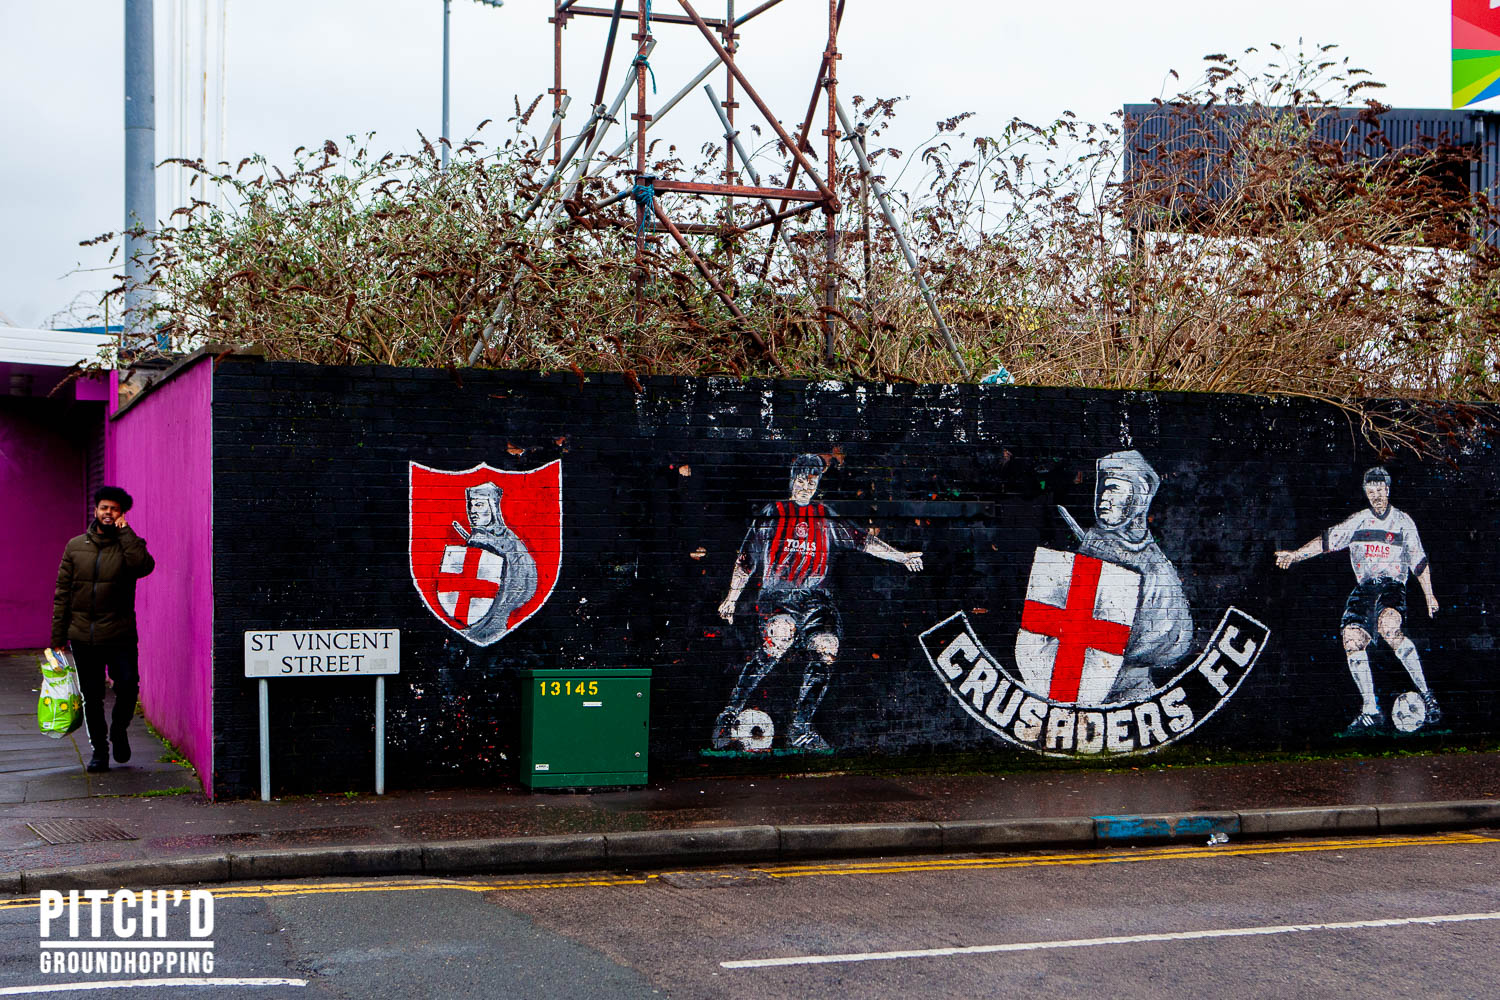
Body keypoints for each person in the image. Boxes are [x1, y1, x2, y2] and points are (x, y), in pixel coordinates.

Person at [714, 454, 924, 751]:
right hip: (779, 598)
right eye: (801, 480)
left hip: (816, 600)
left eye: (812, 481)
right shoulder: (773, 512)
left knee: (827, 647)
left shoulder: (825, 516)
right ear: (792, 480)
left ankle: (801, 728)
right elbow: (746, 557)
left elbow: (863, 541)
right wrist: (732, 597)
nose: (806, 487)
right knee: (781, 636)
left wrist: (902, 557)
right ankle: (730, 712)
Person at [1275, 467, 1439, 733]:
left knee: (1389, 628)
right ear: (1366, 492)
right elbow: (1325, 542)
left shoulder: (1403, 522)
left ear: (1388, 489)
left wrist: (1429, 595)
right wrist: (1295, 555)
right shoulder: (1358, 522)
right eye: (1371, 491)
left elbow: (1419, 563)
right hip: (1364, 590)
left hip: (1391, 587)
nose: (1376, 495)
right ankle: (1370, 710)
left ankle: (1427, 695)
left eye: (1380, 490)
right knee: (1351, 639)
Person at [1065, 450, 1194, 701]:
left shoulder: (1157, 568)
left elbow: (1174, 639)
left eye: (1113, 489)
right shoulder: (1088, 550)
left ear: (1139, 496)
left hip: (1131, 694)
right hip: (1079, 686)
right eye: (1101, 490)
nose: (1103, 498)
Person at [51, 487, 155, 772]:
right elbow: (62, 592)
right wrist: (58, 637)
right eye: (104, 508)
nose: (108, 512)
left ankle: (119, 731)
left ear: (122, 514)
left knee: (128, 687)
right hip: (83, 636)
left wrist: (126, 534)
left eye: (114, 509)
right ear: (95, 510)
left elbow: (143, 567)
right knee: (92, 696)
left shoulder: (130, 544)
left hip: (119, 633)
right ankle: (99, 751)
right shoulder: (75, 546)